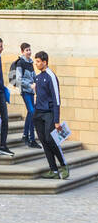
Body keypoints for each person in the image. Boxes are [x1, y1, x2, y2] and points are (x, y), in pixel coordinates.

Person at [32, 51, 69, 180]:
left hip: (49, 113)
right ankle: (53, 170)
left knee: (50, 140)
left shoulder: (51, 76)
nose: (35, 63)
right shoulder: (38, 77)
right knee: (44, 141)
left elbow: (56, 98)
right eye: (35, 61)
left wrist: (56, 120)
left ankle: (63, 165)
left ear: (44, 62)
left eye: (37, 61)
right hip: (38, 114)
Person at [9, 43, 37, 148]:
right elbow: (19, 79)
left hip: (31, 91)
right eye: (26, 50)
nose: (29, 52)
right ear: (22, 51)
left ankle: (29, 137)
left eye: (29, 50)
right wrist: (30, 84)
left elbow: (34, 76)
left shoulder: (31, 63)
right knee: (32, 111)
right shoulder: (21, 63)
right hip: (25, 91)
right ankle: (28, 136)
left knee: (32, 113)